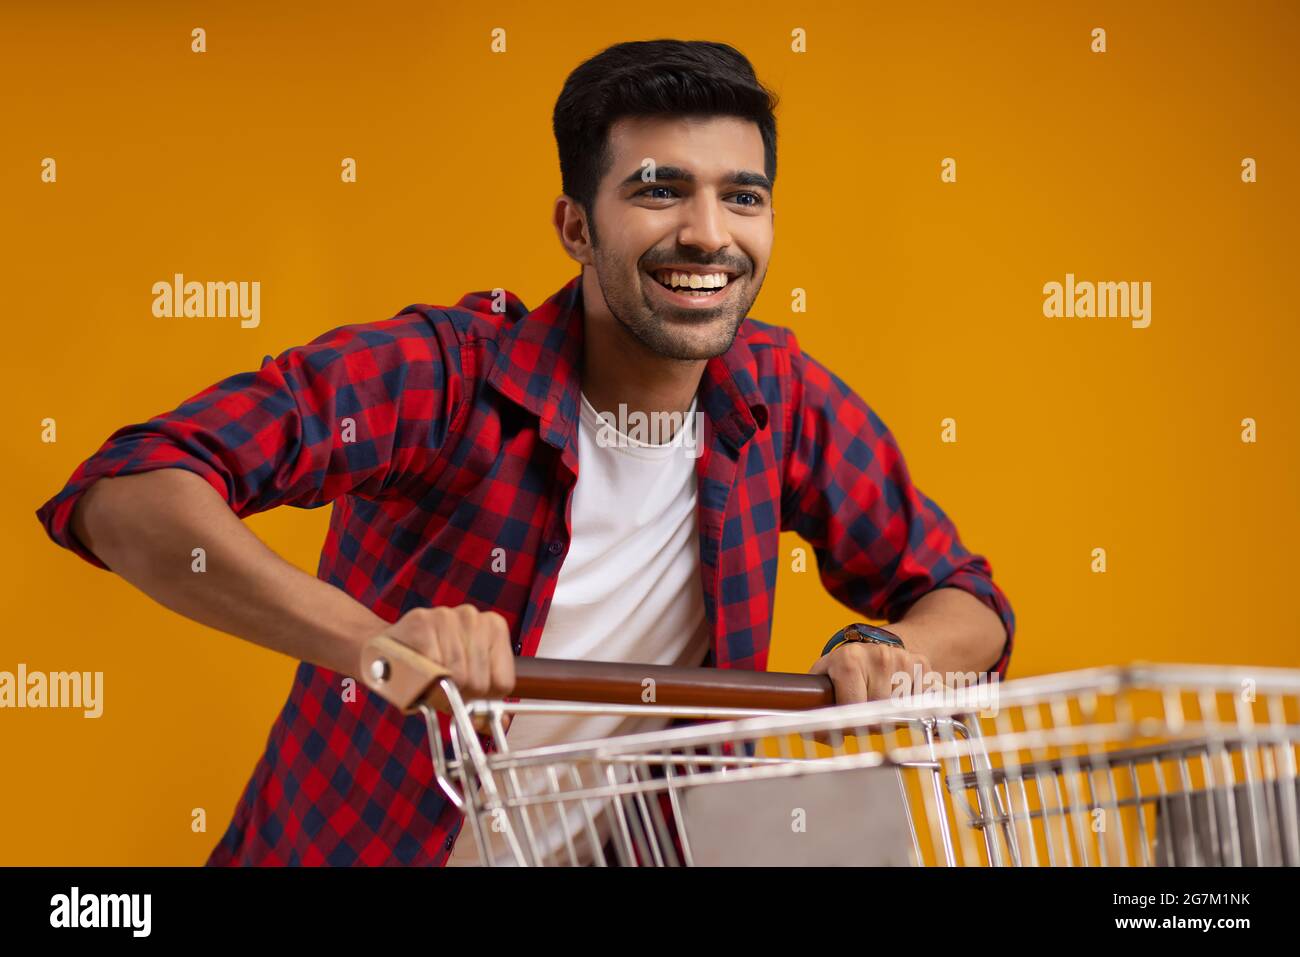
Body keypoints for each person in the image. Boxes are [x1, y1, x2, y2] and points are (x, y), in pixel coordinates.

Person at [36, 38, 1015, 866]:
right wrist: (376, 646)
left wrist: (892, 654)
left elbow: (965, 600)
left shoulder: (777, 397)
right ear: (575, 227)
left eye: (742, 197)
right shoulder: (450, 376)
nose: (707, 235)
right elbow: (127, 495)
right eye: (659, 191)